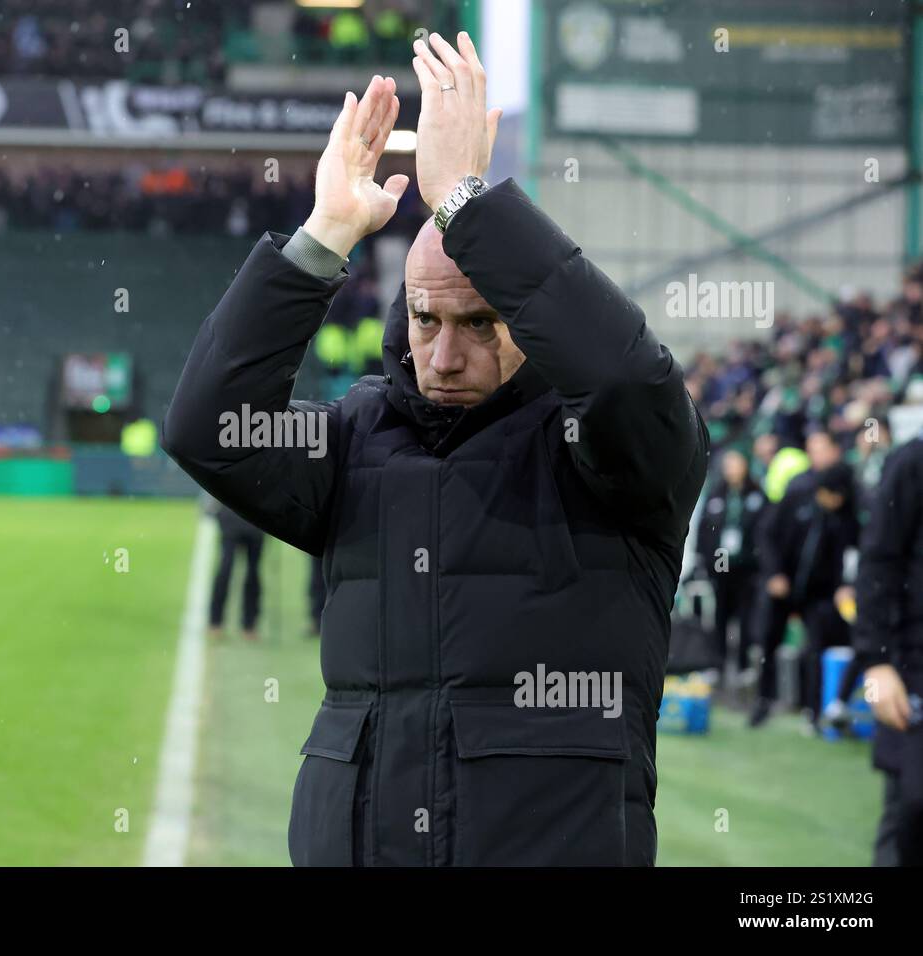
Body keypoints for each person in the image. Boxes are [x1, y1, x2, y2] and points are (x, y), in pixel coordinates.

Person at [163, 33, 707, 866]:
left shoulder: (607, 451)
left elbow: (629, 381)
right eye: (425, 320)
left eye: (479, 324)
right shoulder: (354, 438)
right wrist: (321, 237)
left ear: (527, 319)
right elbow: (207, 427)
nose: (444, 355)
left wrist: (467, 204)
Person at [855, 434, 923, 865]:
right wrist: (877, 661)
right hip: (912, 670)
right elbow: (878, 560)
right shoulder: (913, 461)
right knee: (912, 810)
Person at [752, 461, 859, 730]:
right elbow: (766, 534)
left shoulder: (844, 518)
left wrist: (840, 586)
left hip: (818, 595)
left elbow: (845, 557)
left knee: (815, 650)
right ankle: (763, 701)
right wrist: (774, 573)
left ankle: (813, 713)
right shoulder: (796, 499)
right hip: (782, 587)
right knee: (768, 643)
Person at [693, 448, 765, 674]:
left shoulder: (757, 495)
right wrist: (703, 560)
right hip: (720, 567)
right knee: (720, 615)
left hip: (746, 568)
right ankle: (718, 662)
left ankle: (743, 664)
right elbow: (704, 530)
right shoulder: (716, 494)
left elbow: (765, 531)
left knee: (745, 616)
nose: (732, 470)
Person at [208, 505, 266, 641]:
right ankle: (215, 622)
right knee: (225, 569)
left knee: (253, 573)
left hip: (256, 518)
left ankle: (250, 625)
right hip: (230, 515)